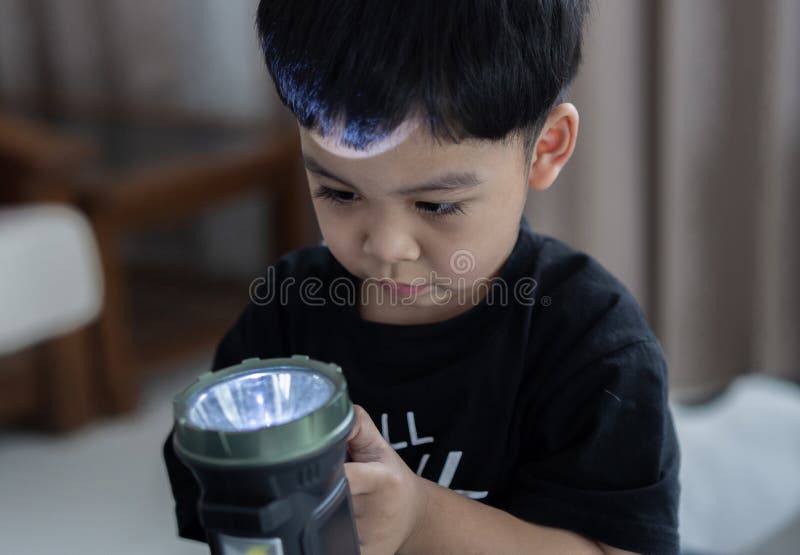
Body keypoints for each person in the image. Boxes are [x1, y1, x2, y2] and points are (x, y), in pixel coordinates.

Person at [163, 1, 680, 553]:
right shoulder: (288, 315)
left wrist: (419, 518)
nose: (386, 247)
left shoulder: (592, 344)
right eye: (339, 193)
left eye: (435, 204)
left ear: (544, 149)